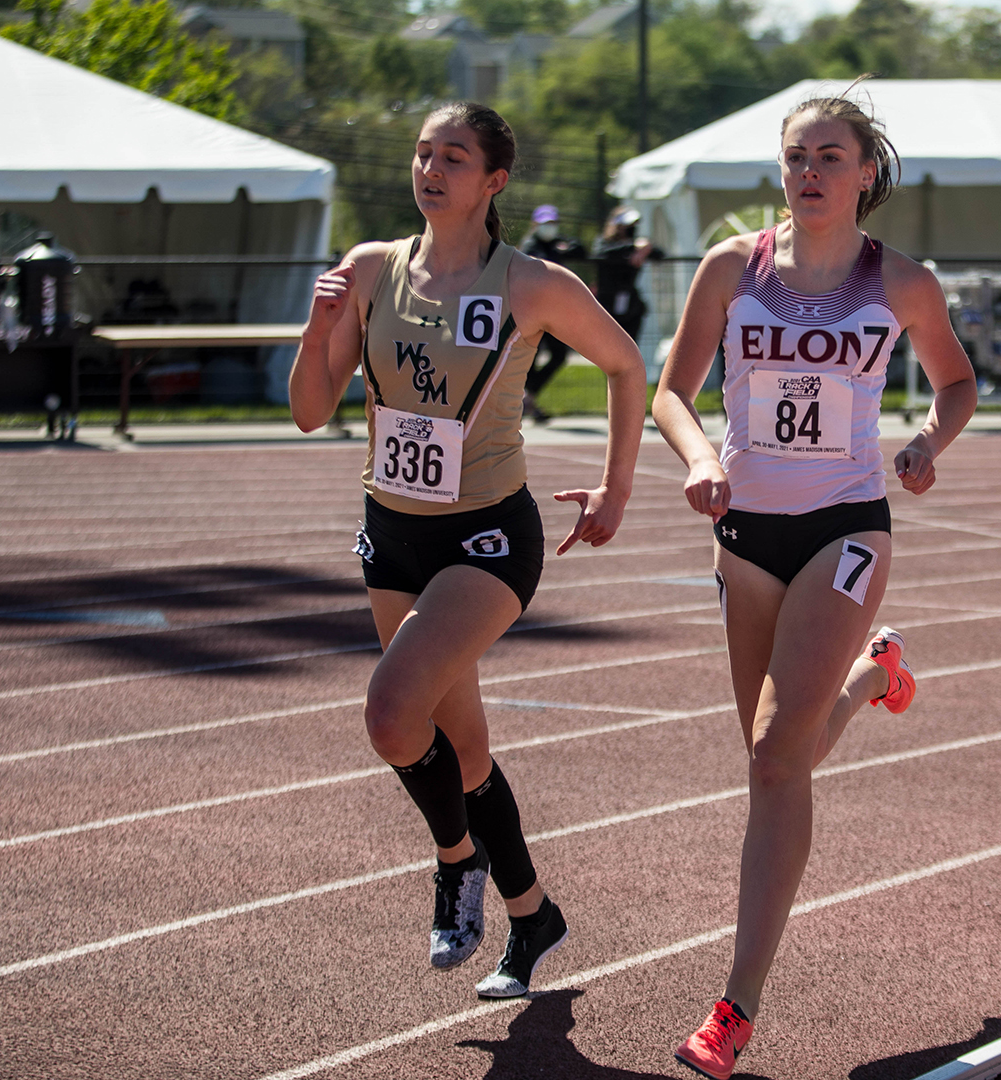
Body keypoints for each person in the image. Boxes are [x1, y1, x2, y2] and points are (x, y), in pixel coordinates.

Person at [651, 90, 976, 1079]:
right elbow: (672, 388)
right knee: (769, 758)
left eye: (831, 156)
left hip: (845, 529)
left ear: (868, 172)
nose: (811, 173)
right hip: (744, 533)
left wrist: (926, 441)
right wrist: (701, 458)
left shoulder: (902, 281)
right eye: (797, 156)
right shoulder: (729, 267)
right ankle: (876, 679)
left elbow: (956, 382)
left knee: (775, 758)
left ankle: (734, 1009)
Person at [288, 102, 644, 1000]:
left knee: (390, 715)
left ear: (494, 181)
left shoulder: (532, 284)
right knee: (464, 749)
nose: (430, 168)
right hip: (391, 529)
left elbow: (626, 363)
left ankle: (455, 861)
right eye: (421, 153)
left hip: (485, 536)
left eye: (453, 156)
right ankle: (532, 916)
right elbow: (307, 410)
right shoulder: (370, 271)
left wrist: (615, 487)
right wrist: (315, 327)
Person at [517, 204, 587, 422]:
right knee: (529, 358)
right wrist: (559, 251)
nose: (549, 228)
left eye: (552, 223)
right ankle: (524, 402)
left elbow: (581, 250)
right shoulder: (530, 244)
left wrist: (563, 248)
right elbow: (542, 263)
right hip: (533, 310)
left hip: (555, 311)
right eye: (545, 224)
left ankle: (528, 398)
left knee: (559, 355)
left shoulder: (558, 242)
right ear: (535, 224)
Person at [592, 206, 663, 342]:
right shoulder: (605, 243)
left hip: (630, 302)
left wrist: (645, 249)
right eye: (627, 225)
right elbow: (601, 253)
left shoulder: (639, 245)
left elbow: (659, 254)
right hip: (607, 301)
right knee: (609, 344)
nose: (632, 227)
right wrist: (633, 247)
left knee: (630, 343)